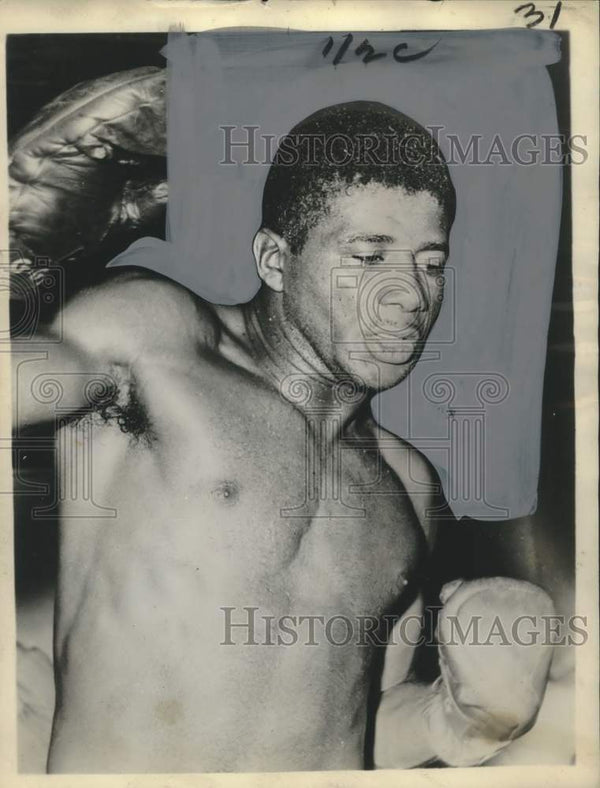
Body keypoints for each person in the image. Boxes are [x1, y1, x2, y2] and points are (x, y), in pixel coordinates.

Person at [12, 101, 559, 773]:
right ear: (275, 258)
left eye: (432, 263)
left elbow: (367, 726)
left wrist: (473, 719)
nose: (410, 294)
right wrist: (16, 255)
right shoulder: (159, 341)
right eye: (367, 255)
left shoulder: (408, 486)